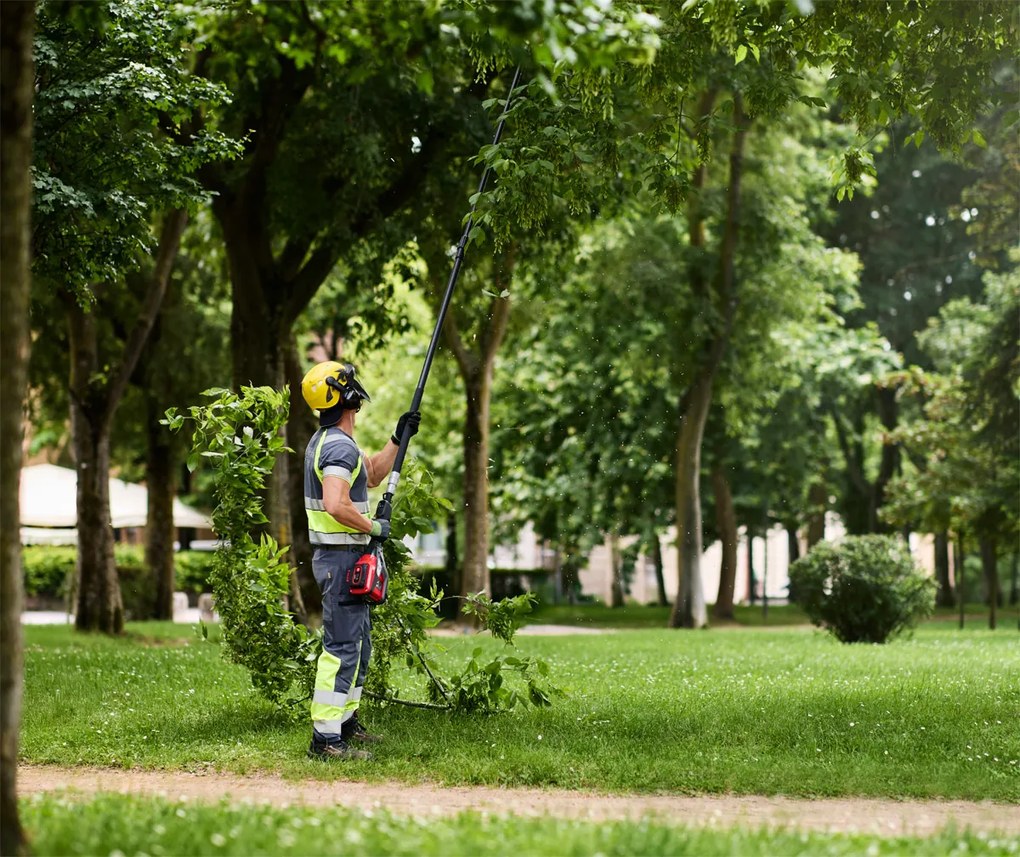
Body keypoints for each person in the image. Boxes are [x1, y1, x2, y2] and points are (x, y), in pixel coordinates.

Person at [300, 360, 420, 760]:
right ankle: (326, 739)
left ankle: (346, 722)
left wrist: (397, 438)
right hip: (341, 558)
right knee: (342, 647)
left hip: (343, 556)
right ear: (345, 394)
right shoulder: (336, 446)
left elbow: (370, 475)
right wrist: (373, 529)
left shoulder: (333, 442)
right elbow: (336, 503)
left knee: (359, 644)